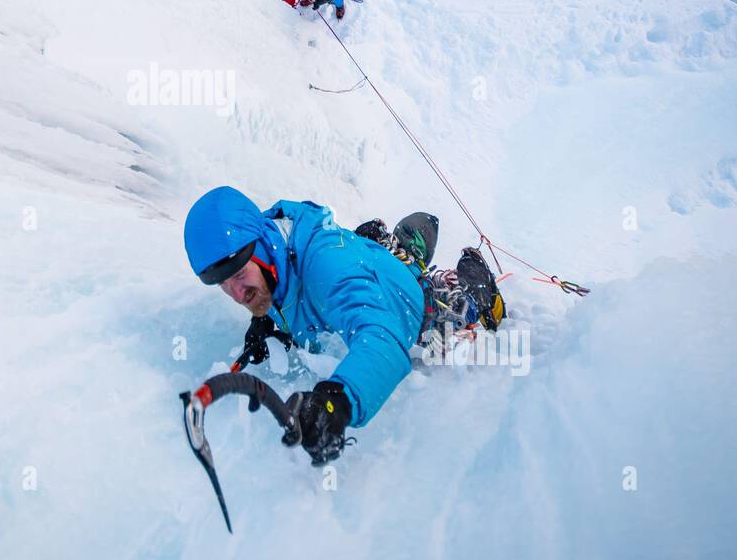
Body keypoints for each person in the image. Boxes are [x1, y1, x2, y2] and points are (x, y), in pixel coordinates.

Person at [183, 187, 505, 465]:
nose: (237, 294)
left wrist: (337, 401)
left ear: (263, 247)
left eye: (240, 275)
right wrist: (267, 322)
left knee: (456, 310)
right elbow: (287, 290)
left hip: (408, 303)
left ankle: (472, 274)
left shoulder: (325, 267)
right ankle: (386, 246)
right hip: (363, 264)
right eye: (224, 284)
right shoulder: (272, 251)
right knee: (381, 259)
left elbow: (382, 338)